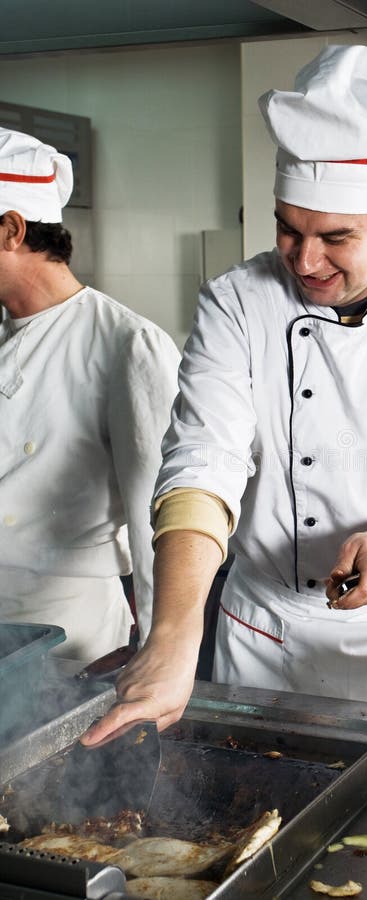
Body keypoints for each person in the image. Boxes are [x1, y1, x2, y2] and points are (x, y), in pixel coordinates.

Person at [83, 44, 367, 745]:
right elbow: (204, 464)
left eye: (336, 236)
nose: (305, 259)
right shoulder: (238, 301)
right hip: (270, 646)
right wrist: (171, 639)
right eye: (288, 228)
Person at [0, 127, 180, 663]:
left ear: (11, 229)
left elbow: (158, 516)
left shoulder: (127, 343)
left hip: (65, 623)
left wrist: (157, 651)